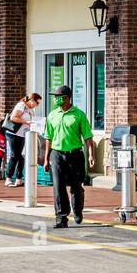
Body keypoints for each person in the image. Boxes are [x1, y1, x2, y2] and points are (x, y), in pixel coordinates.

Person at [41, 85, 93, 228]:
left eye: (58, 97)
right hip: (56, 154)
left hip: (75, 154)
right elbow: (48, 138)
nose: (56, 99)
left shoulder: (79, 114)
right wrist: (46, 158)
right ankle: (61, 217)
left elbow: (88, 136)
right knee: (58, 186)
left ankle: (77, 210)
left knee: (76, 186)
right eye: (55, 97)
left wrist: (91, 155)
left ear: (66, 98)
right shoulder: (52, 115)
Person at [3, 92, 40, 187]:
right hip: (13, 133)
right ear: (32, 100)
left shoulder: (31, 110)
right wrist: (25, 122)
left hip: (23, 135)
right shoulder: (21, 105)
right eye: (37, 102)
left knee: (21, 156)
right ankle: (8, 179)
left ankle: (19, 179)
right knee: (15, 155)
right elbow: (13, 117)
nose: (37, 105)